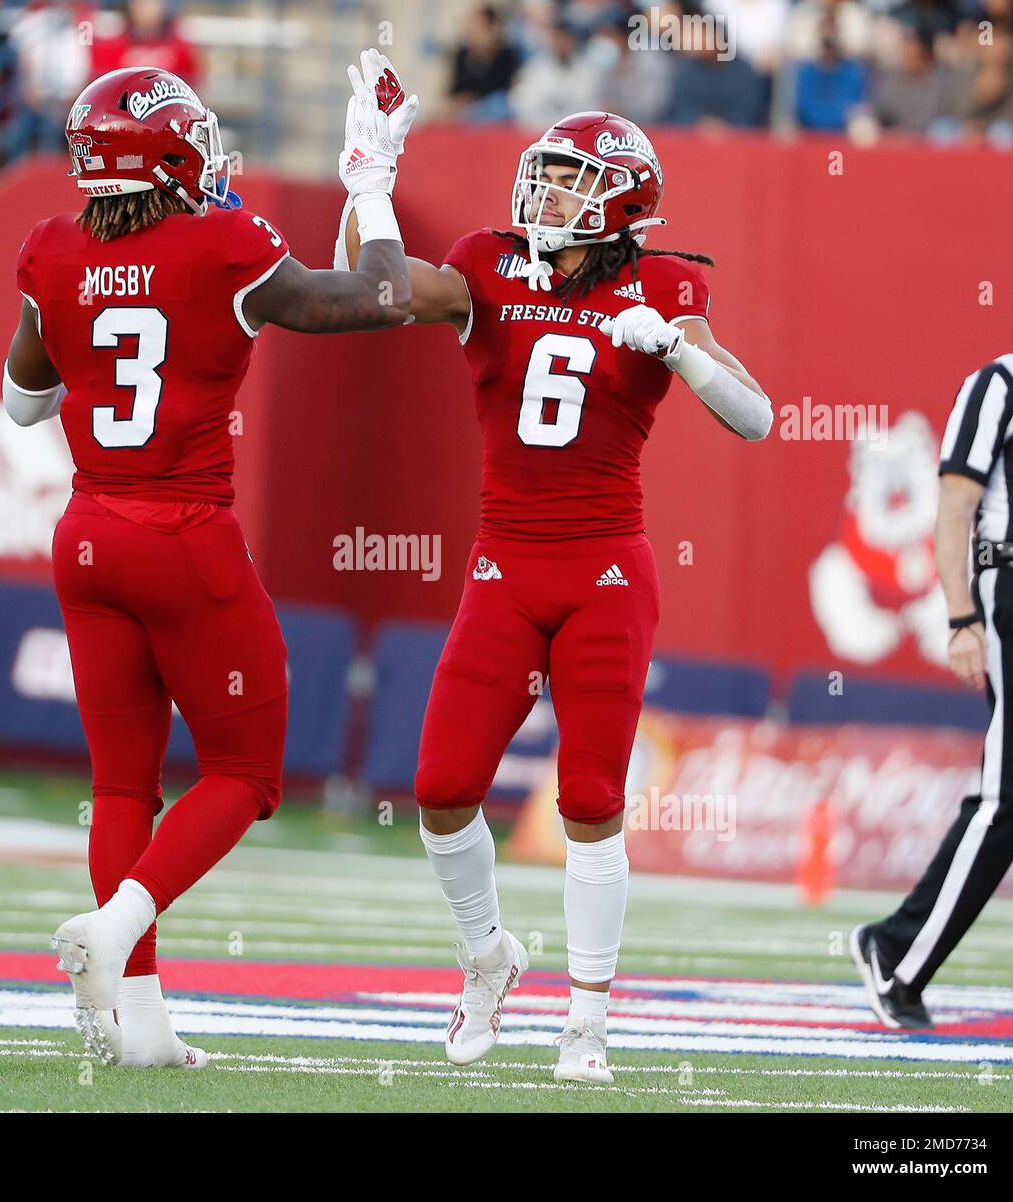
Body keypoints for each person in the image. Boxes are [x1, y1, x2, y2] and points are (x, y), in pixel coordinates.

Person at [337, 52, 772, 1083]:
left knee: (588, 797)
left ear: (622, 201)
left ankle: (586, 1019)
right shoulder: (489, 262)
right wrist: (368, 179)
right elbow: (378, 289)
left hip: (605, 567)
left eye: (572, 178)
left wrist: (674, 345)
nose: (546, 193)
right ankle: (487, 955)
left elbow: (754, 417)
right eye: (546, 173)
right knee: (440, 785)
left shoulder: (664, 282)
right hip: (503, 559)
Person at [4, 63, 416, 1068]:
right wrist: (370, 183)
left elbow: (23, 402)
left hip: (88, 536)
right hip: (184, 538)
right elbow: (382, 298)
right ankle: (116, 924)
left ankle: (137, 1022)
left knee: (120, 787)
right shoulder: (224, 241)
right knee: (244, 770)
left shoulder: (51, 249)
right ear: (170, 151)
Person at [850, 331, 1013, 1029]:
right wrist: (962, 616)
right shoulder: (1000, 385)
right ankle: (896, 951)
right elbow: (955, 507)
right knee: (1011, 792)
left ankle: (900, 949)